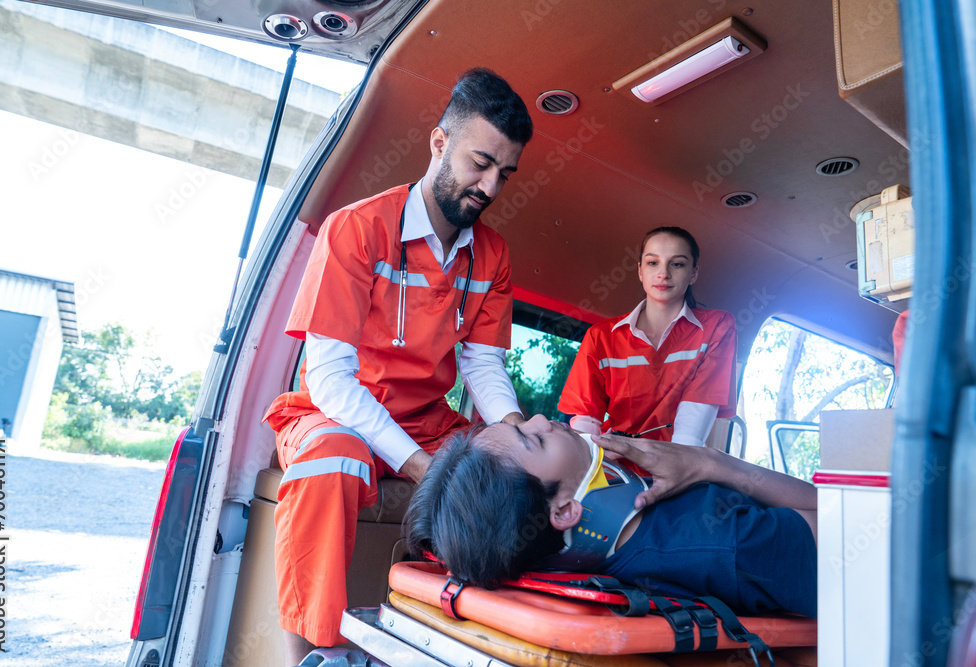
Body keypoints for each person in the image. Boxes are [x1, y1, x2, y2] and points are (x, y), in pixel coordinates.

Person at [262, 67, 533, 660]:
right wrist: (415, 464)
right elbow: (330, 378)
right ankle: (311, 651)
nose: (489, 187)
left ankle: (457, 636)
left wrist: (514, 434)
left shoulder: (493, 253)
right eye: (479, 163)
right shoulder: (357, 229)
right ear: (439, 143)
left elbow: (483, 366)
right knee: (332, 456)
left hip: (429, 419)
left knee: (512, 474)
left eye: (504, 174)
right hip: (336, 413)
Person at [405, 415, 818, 618]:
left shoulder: (570, 561)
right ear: (566, 510)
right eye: (535, 439)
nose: (541, 418)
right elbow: (850, 523)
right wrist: (709, 461)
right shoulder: (729, 544)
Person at [558, 227, 737, 446]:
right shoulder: (600, 336)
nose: (664, 274)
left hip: (679, 464)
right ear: (640, 271)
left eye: (677, 264)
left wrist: (675, 470)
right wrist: (591, 468)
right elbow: (585, 421)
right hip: (615, 466)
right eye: (653, 263)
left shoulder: (717, 327)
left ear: (693, 273)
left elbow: (691, 432)